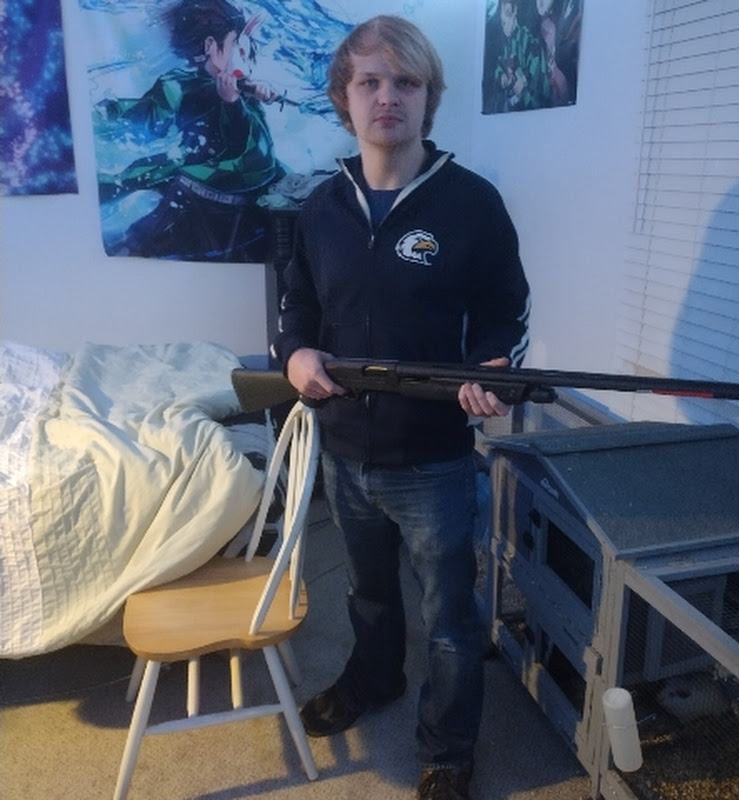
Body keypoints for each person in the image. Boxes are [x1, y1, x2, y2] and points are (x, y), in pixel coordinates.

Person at [270, 15, 530, 800]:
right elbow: (297, 306)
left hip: (435, 458)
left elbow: (507, 312)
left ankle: (447, 749)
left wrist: (493, 368)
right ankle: (375, 677)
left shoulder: (472, 203)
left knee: (450, 619)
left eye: (406, 82)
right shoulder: (320, 207)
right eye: (371, 82)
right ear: (344, 97)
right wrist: (295, 354)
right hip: (346, 451)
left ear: (428, 98)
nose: (388, 97)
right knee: (369, 593)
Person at [96, 0, 286, 262]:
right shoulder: (180, 86)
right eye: (235, 43)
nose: (242, 51)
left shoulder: (239, 87)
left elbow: (257, 147)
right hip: (200, 195)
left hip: (248, 197)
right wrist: (107, 113)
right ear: (210, 46)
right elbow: (145, 120)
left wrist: (247, 94)